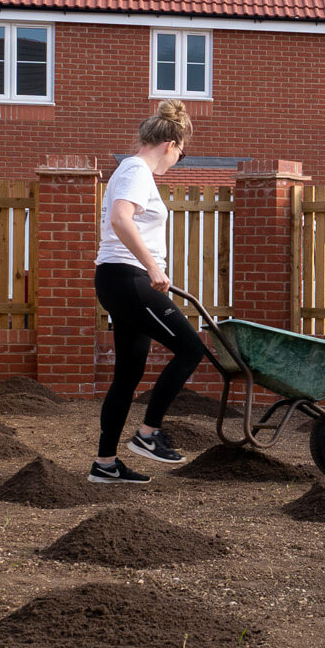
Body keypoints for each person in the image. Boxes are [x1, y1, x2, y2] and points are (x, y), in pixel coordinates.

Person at [89, 99, 205, 484]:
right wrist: (153, 267)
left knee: (128, 374)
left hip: (119, 279)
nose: (177, 161)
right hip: (129, 278)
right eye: (181, 155)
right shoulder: (137, 170)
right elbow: (120, 218)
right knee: (191, 349)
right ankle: (149, 433)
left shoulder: (132, 171)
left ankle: (105, 464)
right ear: (171, 145)